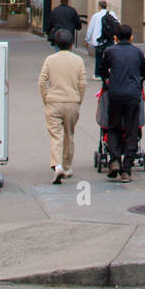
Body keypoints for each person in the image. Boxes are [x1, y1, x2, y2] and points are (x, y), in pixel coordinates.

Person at [102, 24, 145, 182]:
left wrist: (108, 80)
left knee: (114, 127)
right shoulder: (137, 52)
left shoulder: (110, 51)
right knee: (131, 130)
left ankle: (115, 159)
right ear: (131, 37)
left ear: (115, 37)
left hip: (115, 94)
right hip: (132, 95)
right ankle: (127, 169)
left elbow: (103, 70)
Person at [38, 28, 86, 183]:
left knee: (55, 135)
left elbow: (42, 81)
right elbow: (82, 83)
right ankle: (66, 166)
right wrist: (78, 99)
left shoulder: (50, 60)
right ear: (72, 44)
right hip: (72, 101)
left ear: (56, 44)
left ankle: (57, 164)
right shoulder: (78, 60)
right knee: (69, 135)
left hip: (54, 101)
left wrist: (46, 97)